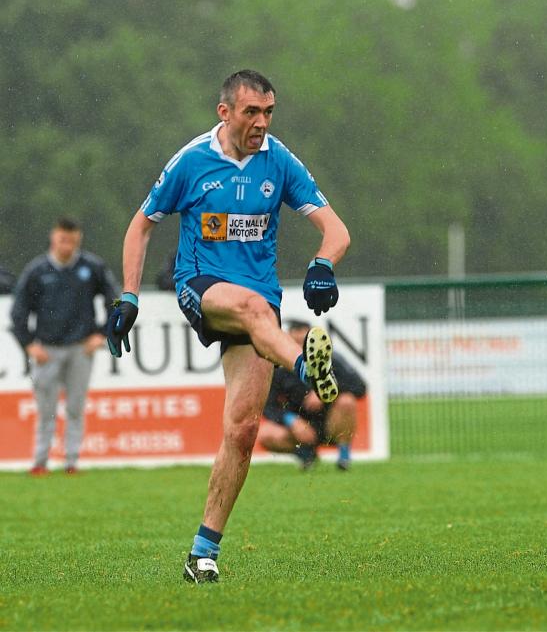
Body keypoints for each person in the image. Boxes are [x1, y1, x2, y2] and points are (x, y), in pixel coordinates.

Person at [105, 70, 350, 585]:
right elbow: (141, 224)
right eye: (251, 113)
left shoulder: (278, 160)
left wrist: (323, 264)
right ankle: (305, 366)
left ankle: (202, 552)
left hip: (258, 302)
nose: (261, 123)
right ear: (225, 113)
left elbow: (336, 230)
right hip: (201, 283)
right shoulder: (192, 161)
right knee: (257, 312)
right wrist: (129, 294)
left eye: (268, 112)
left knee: (242, 430)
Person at [10, 217, 119, 475]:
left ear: (78, 239)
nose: (66, 245)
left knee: (75, 407)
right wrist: (28, 344)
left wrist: (102, 334)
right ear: (53, 238)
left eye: (71, 240)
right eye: (62, 239)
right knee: (45, 409)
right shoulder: (37, 270)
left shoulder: (91, 266)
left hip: (81, 347)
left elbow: (114, 300)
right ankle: (40, 461)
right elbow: (19, 311)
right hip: (47, 349)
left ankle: (71, 461)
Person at [258, 319, 367, 471]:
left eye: (304, 337)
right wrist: (290, 420)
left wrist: (325, 392)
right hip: (300, 428)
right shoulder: (279, 368)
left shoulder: (332, 360)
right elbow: (268, 405)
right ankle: (306, 454)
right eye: (295, 337)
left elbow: (360, 387)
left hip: (331, 424)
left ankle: (344, 457)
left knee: (347, 401)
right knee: (265, 434)